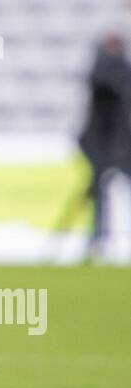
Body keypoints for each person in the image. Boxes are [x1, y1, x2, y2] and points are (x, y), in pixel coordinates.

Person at [78, 34, 131, 253]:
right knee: (99, 194)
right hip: (104, 142)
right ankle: (97, 238)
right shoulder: (105, 69)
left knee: (101, 192)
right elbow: (103, 83)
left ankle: (97, 238)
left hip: (117, 141)